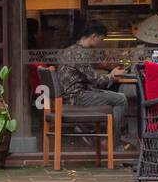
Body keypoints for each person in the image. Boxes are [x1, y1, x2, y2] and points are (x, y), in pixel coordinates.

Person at [56, 20, 131, 148]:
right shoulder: (79, 53)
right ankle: (114, 143)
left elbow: (89, 77)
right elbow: (96, 81)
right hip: (77, 97)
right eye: (100, 39)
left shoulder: (71, 49)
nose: (100, 43)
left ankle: (100, 135)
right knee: (121, 99)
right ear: (94, 36)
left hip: (73, 94)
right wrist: (112, 75)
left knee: (114, 96)